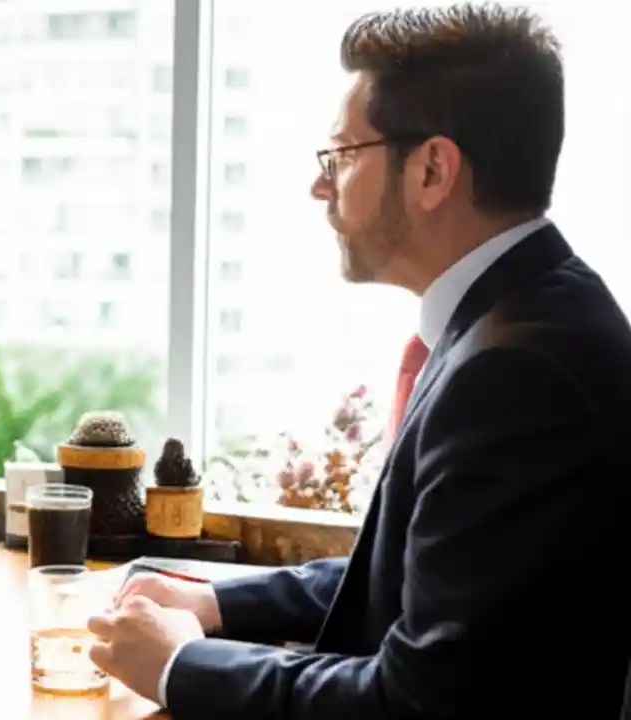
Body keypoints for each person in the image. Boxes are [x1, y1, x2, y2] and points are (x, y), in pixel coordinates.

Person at [87, 4, 631, 717]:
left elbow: (416, 703)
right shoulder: (526, 314)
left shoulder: (517, 373)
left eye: (343, 155)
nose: (321, 186)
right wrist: (213, 601)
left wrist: (178, 665)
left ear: (432, 169)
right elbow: (417, 577)